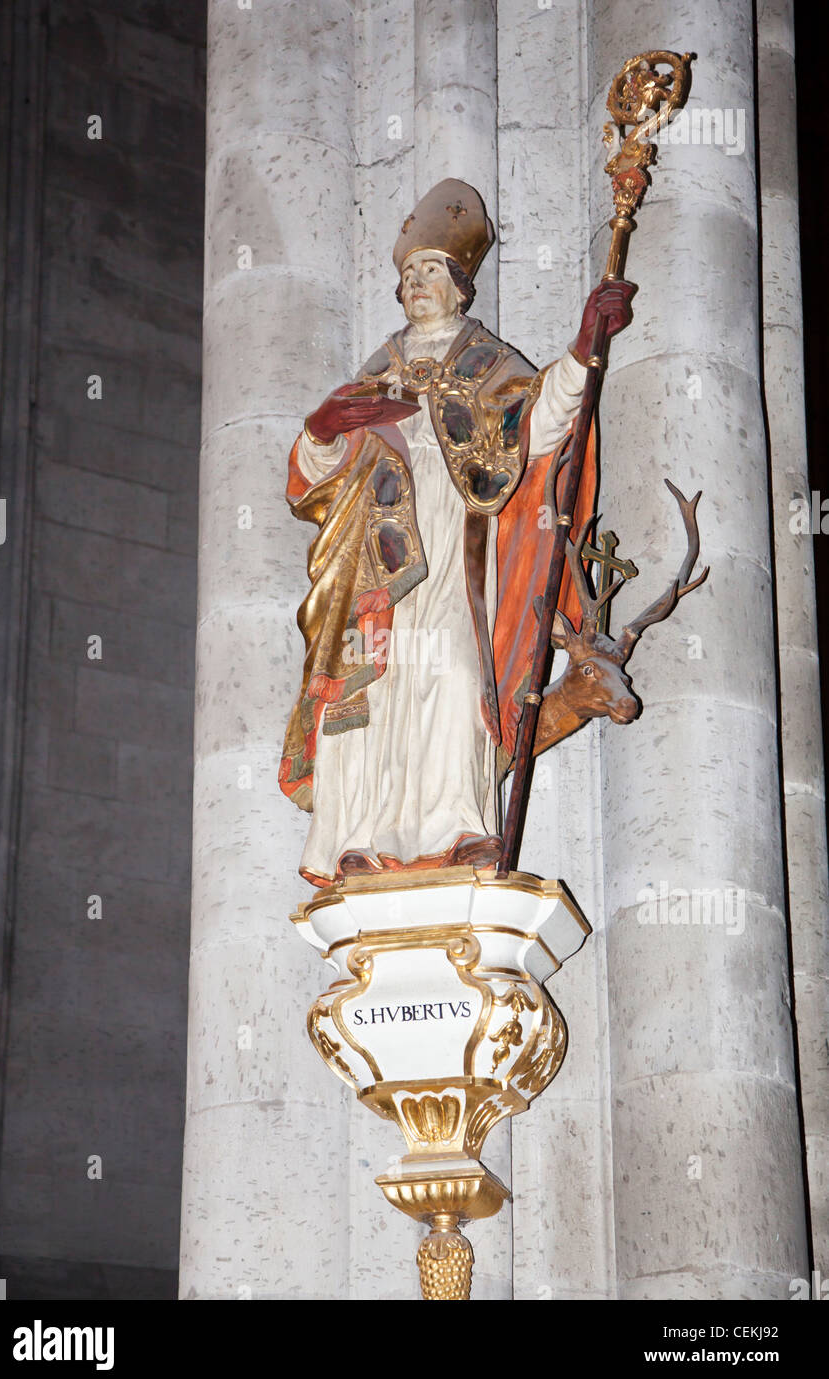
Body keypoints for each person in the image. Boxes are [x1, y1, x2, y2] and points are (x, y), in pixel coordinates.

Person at [279, 180, 633, 887]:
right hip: (376, 565)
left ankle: (459, 828)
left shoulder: (486, 363)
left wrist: (587, 342)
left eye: (431, 271)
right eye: (408, 275)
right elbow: (315, 480)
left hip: (458, 549)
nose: (416, 284)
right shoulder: (374, 373)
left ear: (461, 286)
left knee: (458, 677)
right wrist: (321, 430)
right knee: (369, 689)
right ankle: (357, 835)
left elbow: (540, 425)